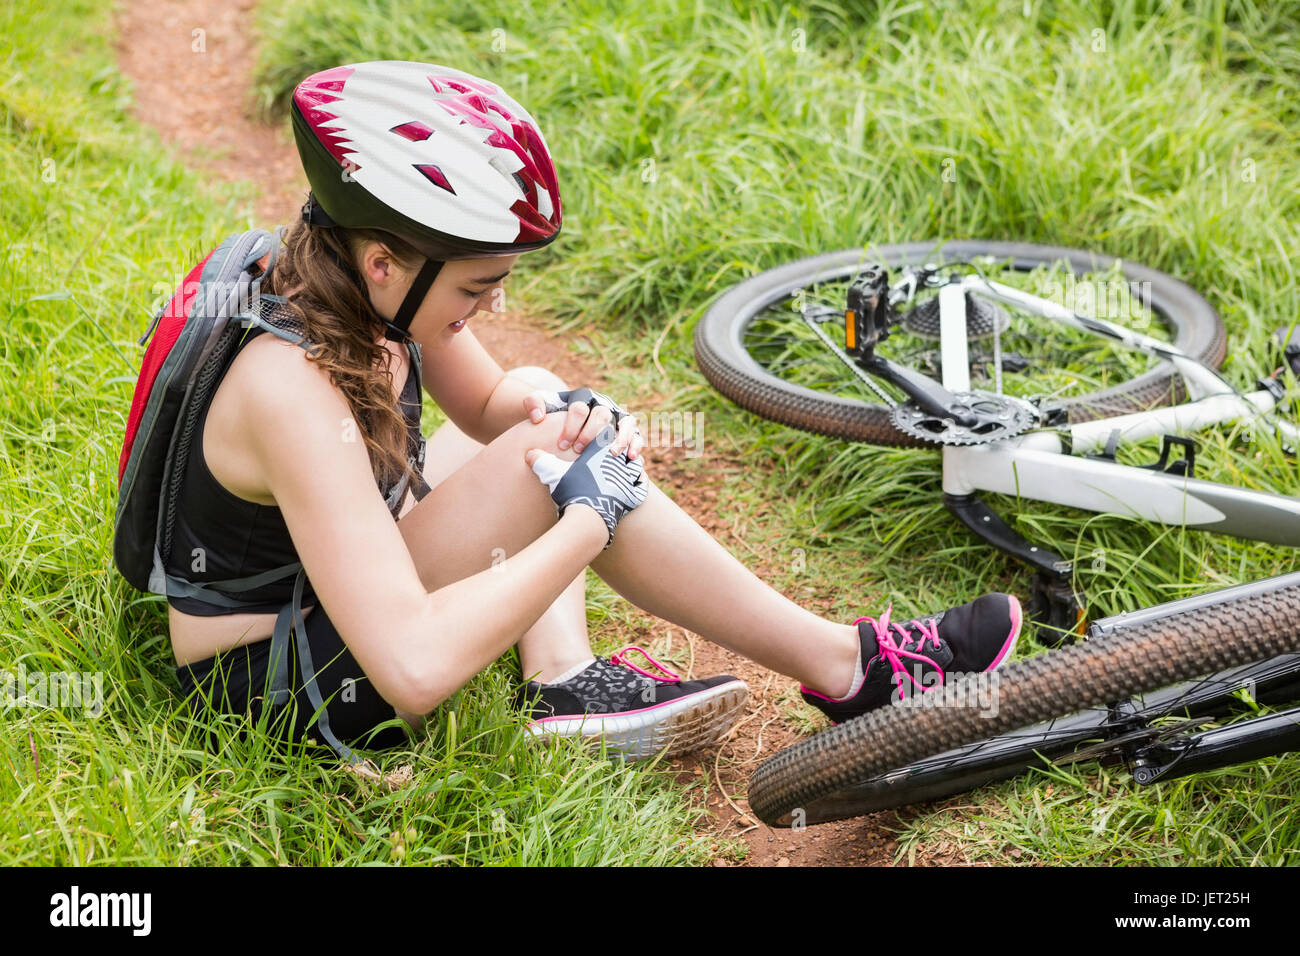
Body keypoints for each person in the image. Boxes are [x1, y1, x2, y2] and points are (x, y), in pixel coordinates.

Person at [170, 60, 1023, 763]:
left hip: (323, 599)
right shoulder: (295, 386)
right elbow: (413, 666)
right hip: (276, 689)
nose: (489, 309)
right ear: (387, 262)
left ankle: (562, 682)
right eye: (475, 289)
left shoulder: (346, 278)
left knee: (544, 412)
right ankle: (850, 670)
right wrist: (588, 518)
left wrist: (577, 415)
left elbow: (494, 403)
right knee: (554, 471)